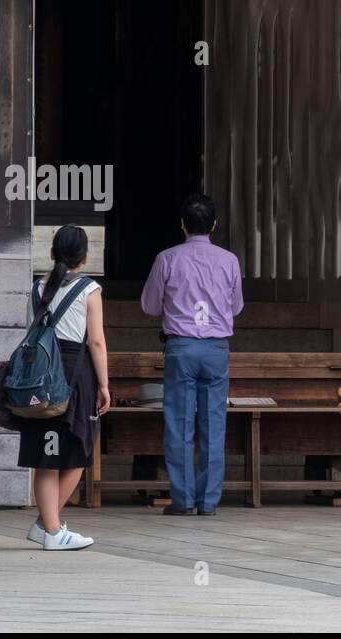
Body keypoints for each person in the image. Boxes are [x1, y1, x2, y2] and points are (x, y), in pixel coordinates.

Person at [141, 194, 244, 516]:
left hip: (181, 347)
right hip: (216, 348)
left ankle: (183, 501)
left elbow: (150, 306)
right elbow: (236, 307)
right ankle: (209, 502)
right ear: (214, 225)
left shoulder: (167, 258)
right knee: (214, 426)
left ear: (182, 224)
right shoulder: (229, 260)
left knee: (179, 425)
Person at [17, 225, 108, 551]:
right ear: (84, 258)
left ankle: (48, 526)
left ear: (53, 253)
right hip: (73, 372)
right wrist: (105, 384)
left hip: (39, 374)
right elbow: (96, 341)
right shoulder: (89, 290)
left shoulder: (36, 288)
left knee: (45, 456)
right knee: (79, 451)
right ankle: (51, 529)